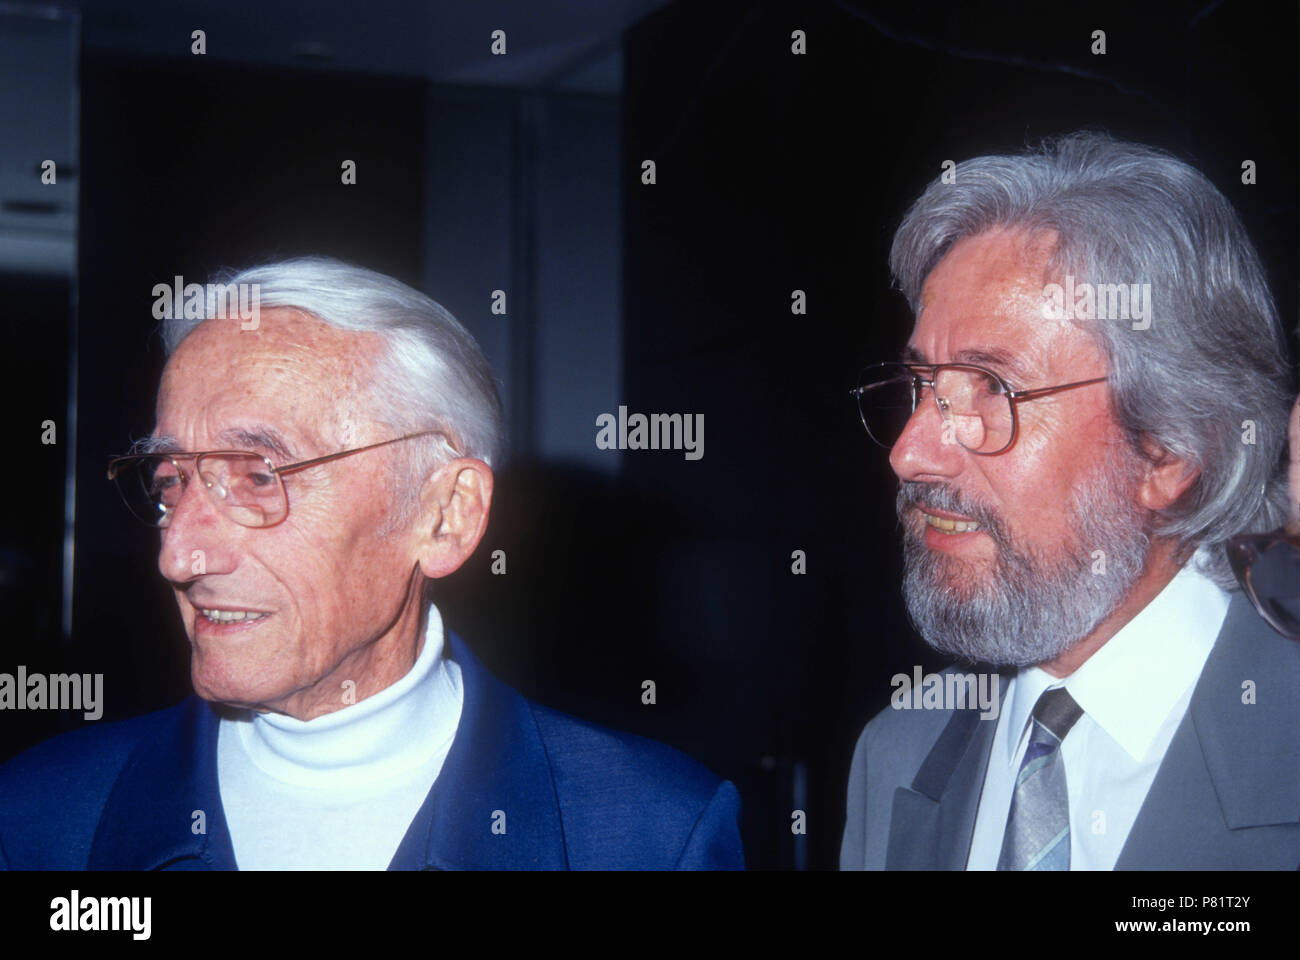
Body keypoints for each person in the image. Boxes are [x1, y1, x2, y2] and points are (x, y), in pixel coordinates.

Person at [0, 257, 743, 870]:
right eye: (171, 482)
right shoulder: (41, 817)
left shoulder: (647, 835)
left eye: (260, 476)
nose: (179, 554)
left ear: (445, 515)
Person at [840, 132, 1299, 870]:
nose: (909, 452)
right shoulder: (897, 752)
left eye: (994, 386)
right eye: (924, 385)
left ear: (1170, 448)